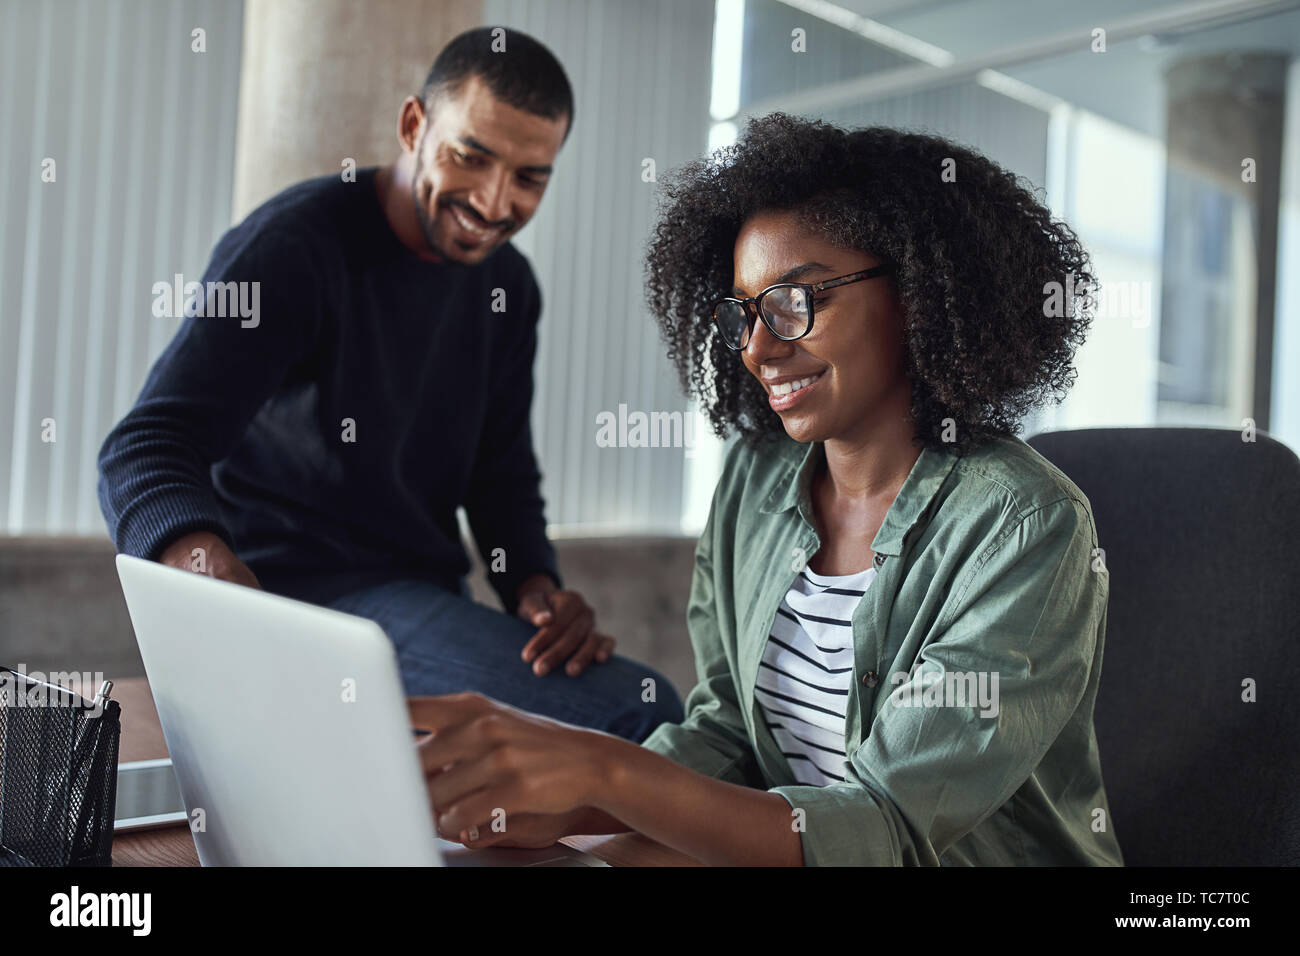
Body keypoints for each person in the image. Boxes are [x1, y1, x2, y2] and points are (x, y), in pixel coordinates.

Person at [406, 113, 1126, 866]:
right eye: (744, 313)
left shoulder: (1025, 523)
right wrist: (567, 806)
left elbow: (885, 828)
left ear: (917, 294)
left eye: (796, 302)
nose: (758, 347)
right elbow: (726, 730)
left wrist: (605, 770)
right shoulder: (757, 476)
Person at [97, 27, 683, 744]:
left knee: (642, 716)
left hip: (420, 599)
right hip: (294, 600)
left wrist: (535, 588)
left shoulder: (508, 288)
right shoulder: (296, 247)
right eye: (471, 156)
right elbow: (148, 443)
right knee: (643, 714)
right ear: (414, 126)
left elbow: (500, 475)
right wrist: (205, 570)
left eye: (530, 176)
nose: (496, 203)